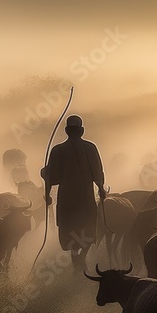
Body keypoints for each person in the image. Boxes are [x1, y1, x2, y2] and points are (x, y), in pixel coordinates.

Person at [41, 115, 106, 272]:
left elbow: (52, 177)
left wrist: (47, 191)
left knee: (70, 233)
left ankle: (77, 259)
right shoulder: (91, 148)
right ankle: (80, 259)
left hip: (66, 201)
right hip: (86, 199)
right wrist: (101, 188)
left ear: (66, 131)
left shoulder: (57, 150)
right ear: (82, 131)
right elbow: (98, 172)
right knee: (88, 230)